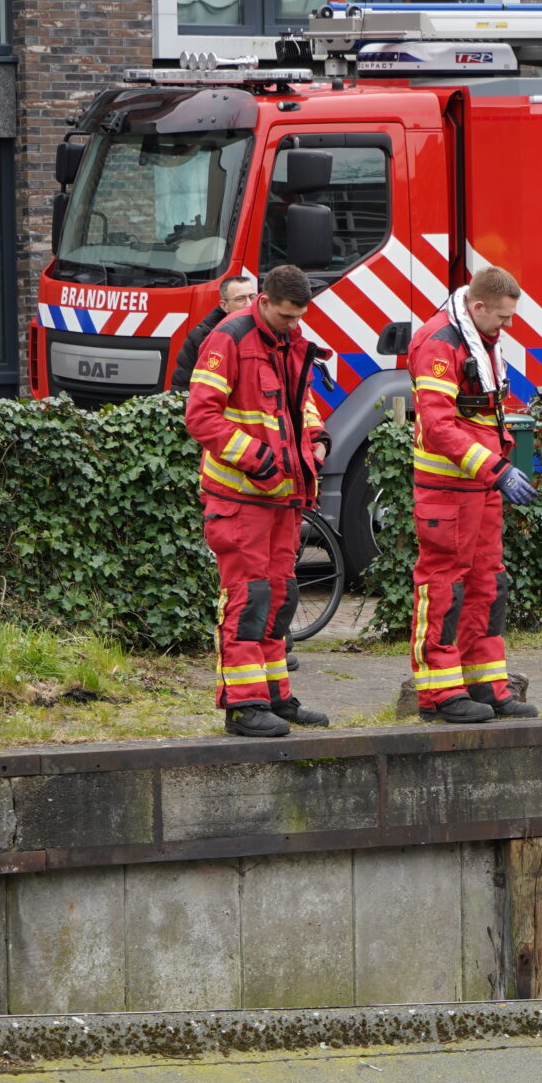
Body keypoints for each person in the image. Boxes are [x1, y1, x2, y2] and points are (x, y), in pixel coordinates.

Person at [184, 265, 333, 738]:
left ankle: (273, 696)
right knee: (248, 599)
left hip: (281, 496)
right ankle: (243, 705)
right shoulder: (228, 339)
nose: (294, 325)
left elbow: (300, 400)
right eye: (287, 316)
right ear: (264, 302)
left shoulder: (286, 336)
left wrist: (317, 437)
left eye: (299, 317)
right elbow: (201, 417)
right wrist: (260, 460)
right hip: (243, 496)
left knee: (278, 597)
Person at [408, 266, 541, 724]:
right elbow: (440, 425)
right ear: (477, 307)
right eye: (502, 318)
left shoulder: (476, 337)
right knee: (445, 585)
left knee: (488, 583)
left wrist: (494, 471)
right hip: (449, 486)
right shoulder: (440, 343)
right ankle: (439, 694)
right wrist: (496, 470)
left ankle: (485, 684)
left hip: (478, 482)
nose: (506, 327)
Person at [171, 275, 256, 388]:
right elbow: (182, 387)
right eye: (240, 299)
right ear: (224, 306)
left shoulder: (273, 331)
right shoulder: (200, 338)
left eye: (252, 297)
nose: (249, 304)